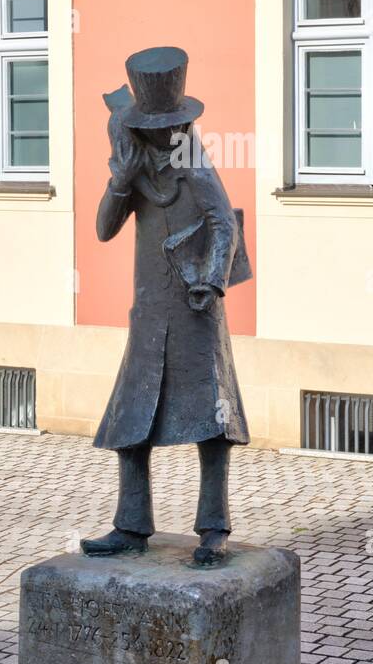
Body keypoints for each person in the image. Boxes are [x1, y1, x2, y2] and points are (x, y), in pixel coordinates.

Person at [80, 46, 251, 565]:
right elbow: (104, 230)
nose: (157, 134)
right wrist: (120, 180)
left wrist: (212, 281)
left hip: (196, 305)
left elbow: (223, 222)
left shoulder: (192, 160)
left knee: (210, 420)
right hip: (150, 311)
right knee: (130, 420)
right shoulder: (134, 163)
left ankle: (213, 528)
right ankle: (131, 525)